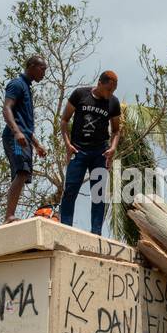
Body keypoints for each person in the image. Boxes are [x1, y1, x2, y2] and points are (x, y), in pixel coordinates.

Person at [58, 70, 122, 235]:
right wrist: (67, 145)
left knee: (98, 194)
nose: (110, 94)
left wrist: (113, 148)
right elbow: (64, 120)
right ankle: (65, 228)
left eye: (113, 91)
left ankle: (96, 233)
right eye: (108, 89)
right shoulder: (80, 94)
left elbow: (116, 131)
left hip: (100, 153)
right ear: (100, 83)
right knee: (70, 190)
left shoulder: (113, 103)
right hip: (78, 150)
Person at [2, 55, 48, 224]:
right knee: (21, 171)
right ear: (32, 66)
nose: (44, 73)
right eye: (42, 69)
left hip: (24, 137)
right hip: (15, 138)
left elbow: (24, 123)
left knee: (24, 173)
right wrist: (16, 132)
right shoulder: (17, 84)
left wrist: (36, 145)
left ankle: (10, 215)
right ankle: (9, 216)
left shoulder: (27, 88)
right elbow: (7, 109)